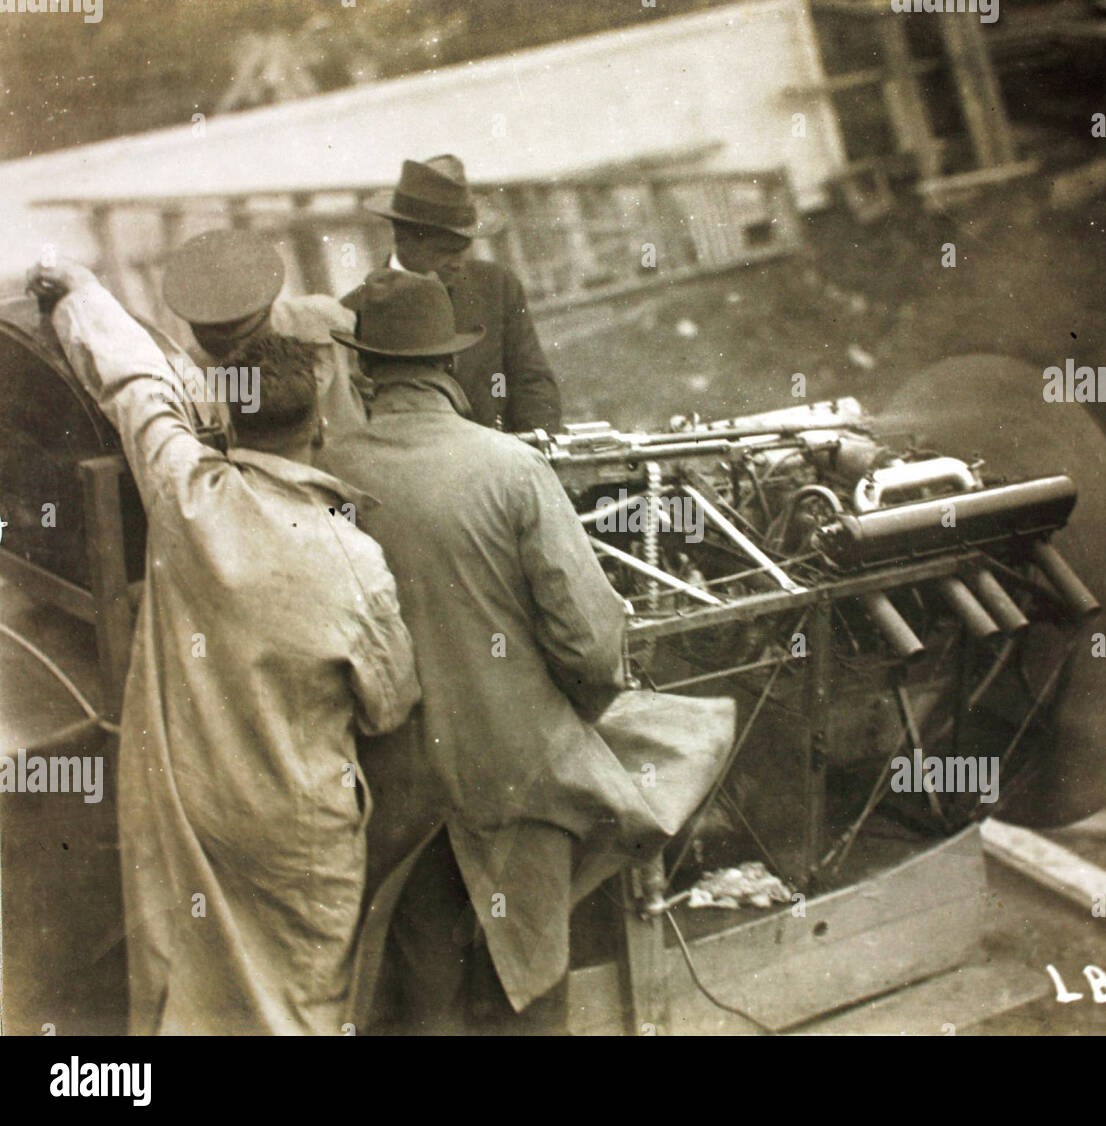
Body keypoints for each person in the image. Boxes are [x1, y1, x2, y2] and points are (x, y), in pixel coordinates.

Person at [30, 258, 421, 1035]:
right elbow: (390, 707)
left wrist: (80, 293)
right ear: (319, 424)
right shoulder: (352, 562)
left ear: (231, 423)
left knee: (195, 998)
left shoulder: (182, 491)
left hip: (193, 811)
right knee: (301, 1008)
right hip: (298, 832)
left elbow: (137, 388)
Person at [324, 269, 712, 1034]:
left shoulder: (331, 475)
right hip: (515, 776)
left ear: (365, 370)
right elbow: (592, 643)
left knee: (424, 990)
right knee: (527, 985)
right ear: (449, 365)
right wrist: (569, 709)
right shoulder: (511, 468)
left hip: (394, 783)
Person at [357, 154, 561, 432]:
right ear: (402, 239)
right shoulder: (362, 309)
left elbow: (532, 383)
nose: (457, 262)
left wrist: (533, 452)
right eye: (444, 251)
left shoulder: (496, 286)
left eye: (463, 249)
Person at [162, 228, 369, 440]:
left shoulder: (327, 321)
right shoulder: (186, 377)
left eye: (239, 334)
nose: (232, 351)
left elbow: (380, 393)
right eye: (210, 334)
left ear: (266, 308)